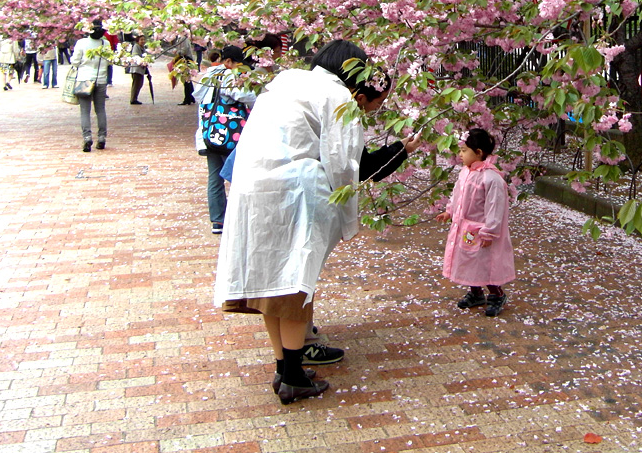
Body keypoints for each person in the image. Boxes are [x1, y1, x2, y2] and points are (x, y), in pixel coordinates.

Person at [213, 39, 419, 405]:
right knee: (294, 285)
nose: (372, 110)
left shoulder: (287, 83)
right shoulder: (337, 97)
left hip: (252, 190)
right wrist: (402, 149)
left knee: (272, 285)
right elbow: (349, 166)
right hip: (295, 195)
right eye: (375, 102)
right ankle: (293, 378)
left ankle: (283, 368)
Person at [436, 128, 516, 317]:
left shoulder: (491, 178)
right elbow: (457, 193)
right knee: (469, 260)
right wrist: (450, 211)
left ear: (478, 152)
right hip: (466, 227)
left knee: (484, 262)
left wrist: (490, 232)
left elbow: (495, 208)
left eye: (464, 150)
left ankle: (497, 294)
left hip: (481, 229)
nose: (460, 154)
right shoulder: (465, 172)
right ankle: (476, 292)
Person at [195, 46, 257, 235]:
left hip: (208, 132)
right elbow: (248, 96)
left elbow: (197, 96)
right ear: (229, 62)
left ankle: (218, 220)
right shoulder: (229, 76)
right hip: (231, 134)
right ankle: (239, 218)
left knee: (215, 177)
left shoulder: (207, 75)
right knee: (237, 174)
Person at [71, 19, 110, 152]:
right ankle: (102, 138)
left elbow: (75, 61)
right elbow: (109, 61)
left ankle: (87, 137)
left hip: (84, 80)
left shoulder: (81, 43)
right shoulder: (106, 43)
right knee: (100, 110)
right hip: (100, 80)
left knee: (85, 111)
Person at [122, 32, 150, 105]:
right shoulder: (136, 46)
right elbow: (136, 56)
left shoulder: (142, 47)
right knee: (136, 84)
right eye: (141, 40)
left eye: (144, 39)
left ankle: (134, 98)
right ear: (137, 40)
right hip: (136, 69)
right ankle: (133, 99)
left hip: (140, 69)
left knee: (139, 84)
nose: (143, 41)